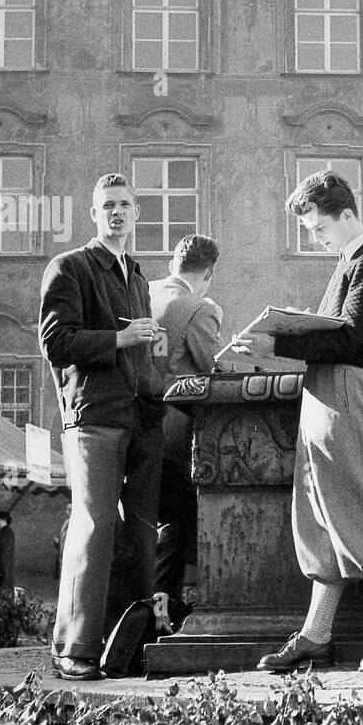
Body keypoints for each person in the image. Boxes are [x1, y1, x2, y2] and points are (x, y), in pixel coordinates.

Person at [232, 170, 363, 675]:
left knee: (359, 505)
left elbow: (349, 339)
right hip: (327, 390)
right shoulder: (351, 262)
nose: (315, 237)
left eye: (319, 228)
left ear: (347, 214)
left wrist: (277, 343)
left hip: (349, 386)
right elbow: (336, 335)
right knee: (320, 516)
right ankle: (316, 635)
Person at [39, 172, 165, 681]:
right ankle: (74, 647)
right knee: (94, 525)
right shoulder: (68, 267)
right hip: (94, 416)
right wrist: (122, 338)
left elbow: (139, 346)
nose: (116, 212)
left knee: (139, 531)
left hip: (141, 416)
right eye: (107, 205)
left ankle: (128, 646)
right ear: (93, 214)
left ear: (137, 215)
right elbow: (56, 343)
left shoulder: (136, 275)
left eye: (125, 205)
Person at [149, 233, 230, 633]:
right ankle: (164, 620)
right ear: (209, 273)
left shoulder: (144, 294)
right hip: (176, 438)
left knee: (144, 528)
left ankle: (135, 618)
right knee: (178, 526)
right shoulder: (199, 308)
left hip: (134, 429)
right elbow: (215, 372)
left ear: (172, 265)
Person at [0, 511, 16, 593]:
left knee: (2, 590)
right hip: (2, 566)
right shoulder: (4, 531)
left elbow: (2, 551)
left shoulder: (6, 532)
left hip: (3, 567)